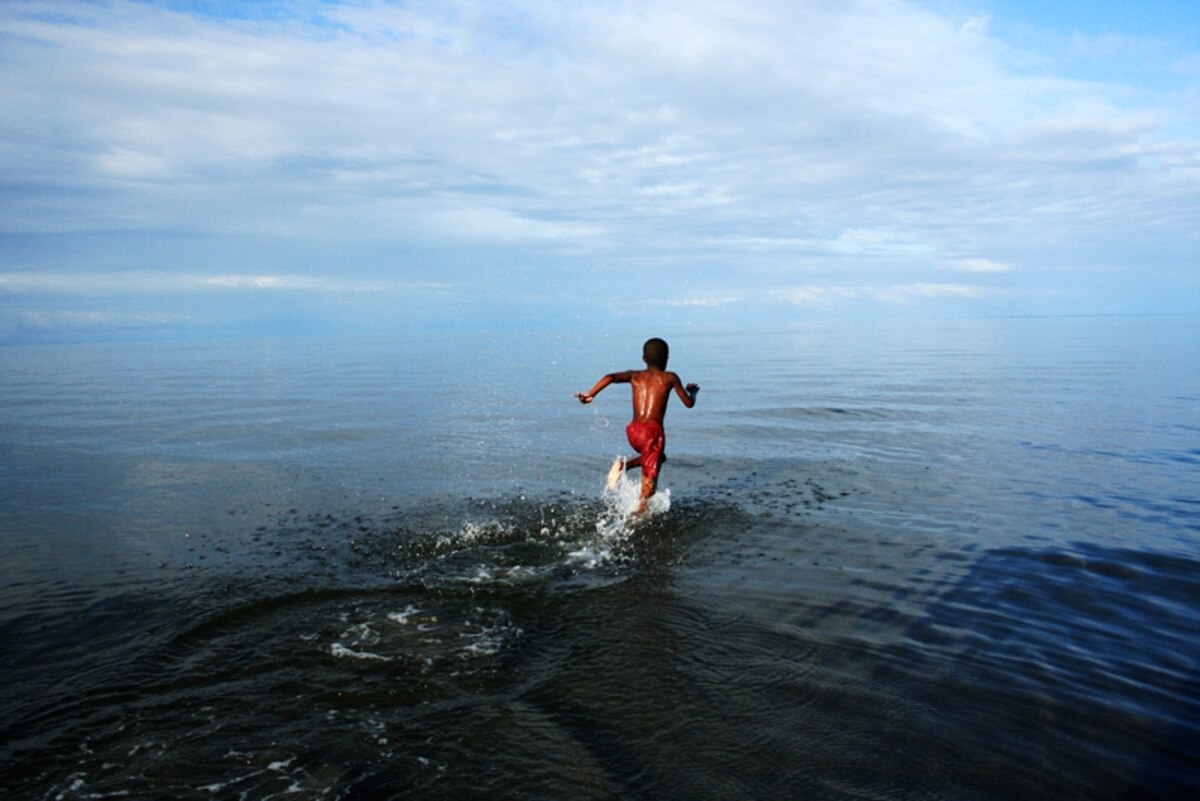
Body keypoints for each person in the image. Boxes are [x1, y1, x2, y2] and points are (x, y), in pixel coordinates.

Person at [575, 338, 699, 514]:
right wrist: (693, 393)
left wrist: (590, 394)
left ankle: (624, 466)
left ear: (643, 359)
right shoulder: (670, 377)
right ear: (667, 359)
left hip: (633, 431)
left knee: (660, 458)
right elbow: (688, 403)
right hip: (652, 434)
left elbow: (610, 377)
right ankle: (636, 522)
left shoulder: (635, 375)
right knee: (648, 492)